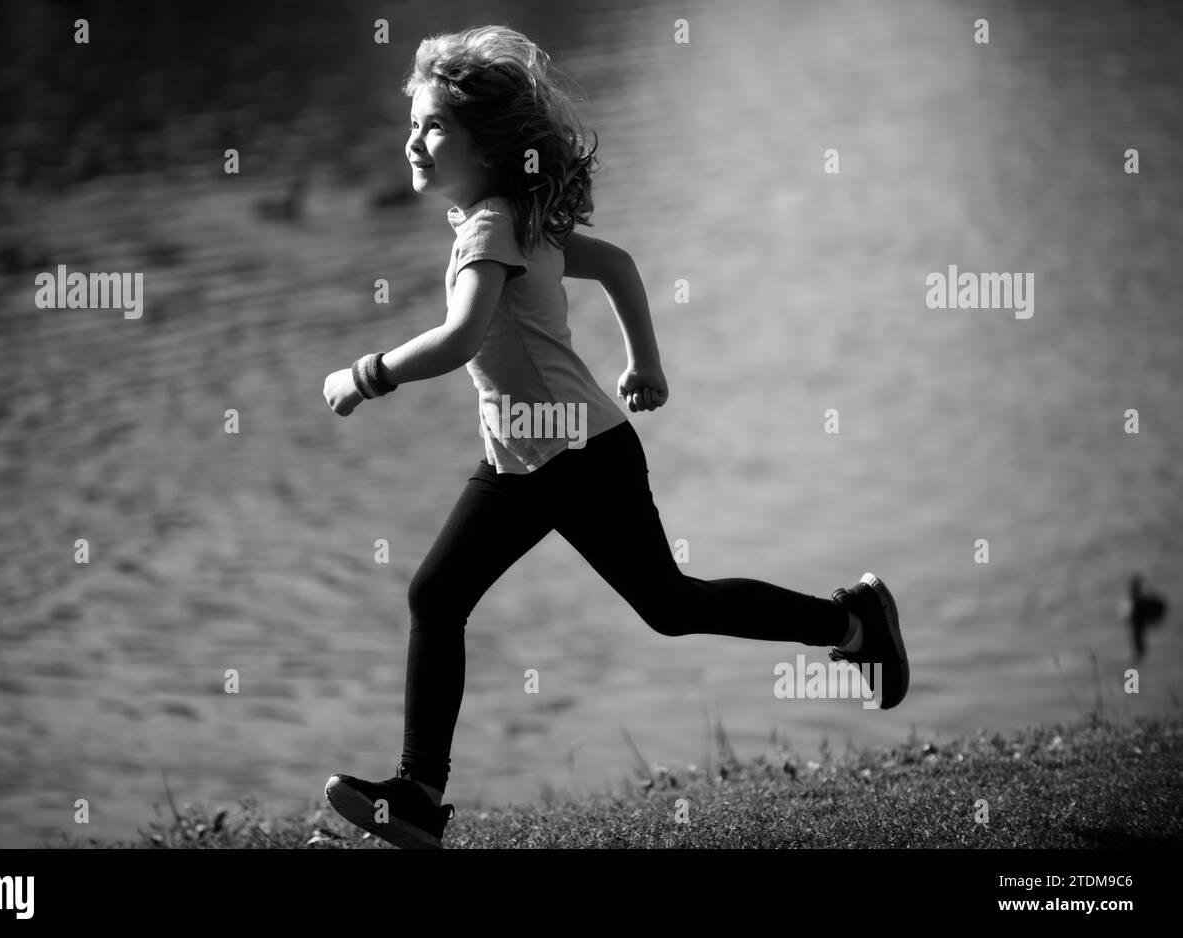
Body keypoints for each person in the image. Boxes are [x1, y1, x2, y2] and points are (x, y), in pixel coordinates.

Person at [322, 25, 908, 849]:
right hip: (533, 456)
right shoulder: (512, 215)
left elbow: (460, 337)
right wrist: (646, 364)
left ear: (486, 144)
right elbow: (622, 265)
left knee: (664, 605)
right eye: (413, 123)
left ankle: (852, 623)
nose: (413, 140)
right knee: (451, 595)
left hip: (578, 458)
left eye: (433, 127)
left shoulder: (493, 225)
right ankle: (418, 795)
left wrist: (366, 373)